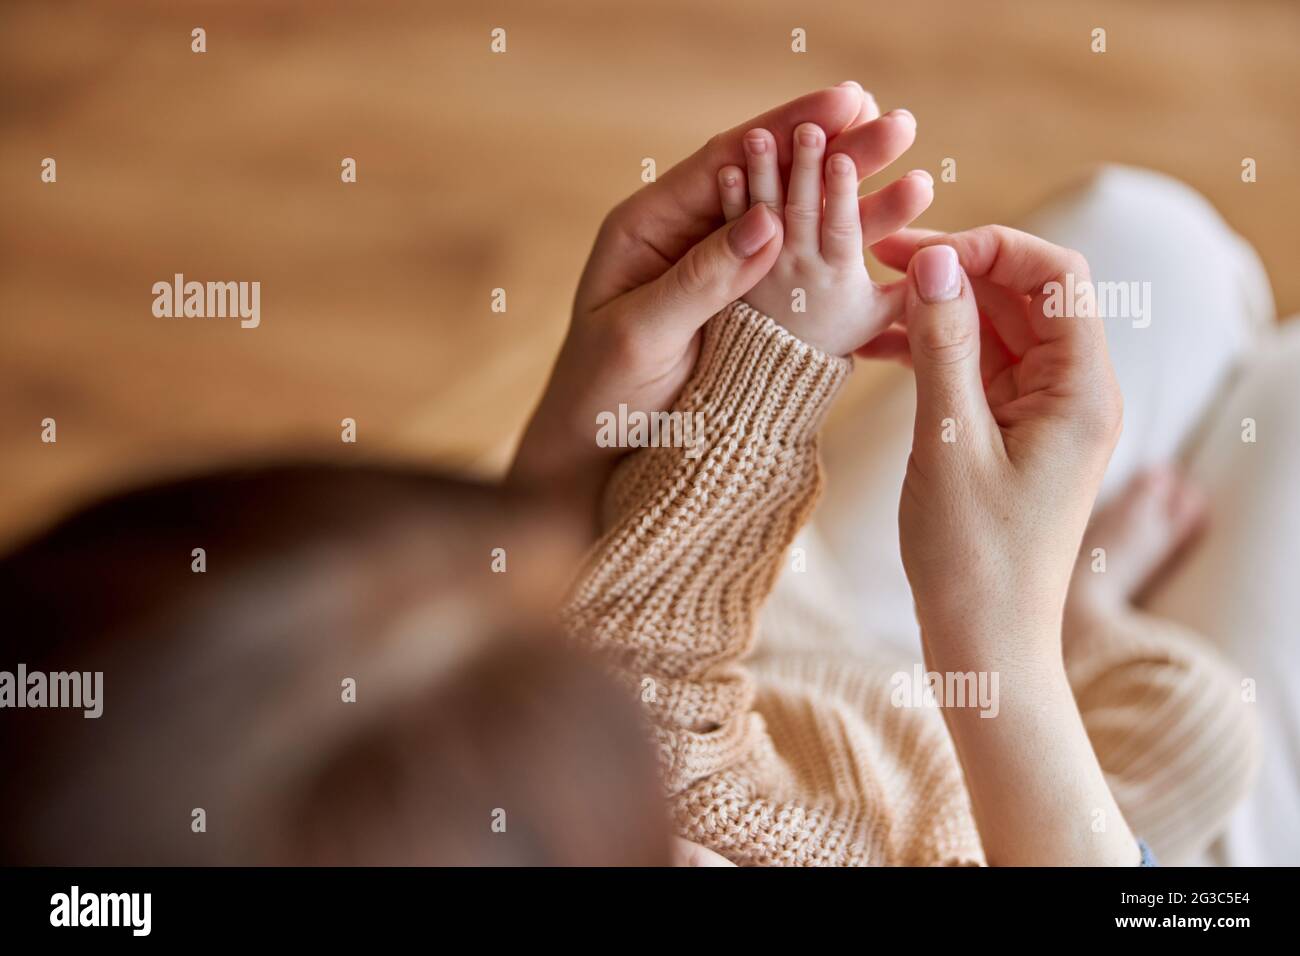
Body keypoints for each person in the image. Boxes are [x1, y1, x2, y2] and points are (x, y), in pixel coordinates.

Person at [513, 83, 1260, 865]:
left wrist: (574, 463)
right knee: (1208, 732)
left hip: (784, 654)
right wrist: (1006, 641)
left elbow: (635, 719)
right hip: (963, 774)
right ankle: (1085, 606)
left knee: (1144, 233)